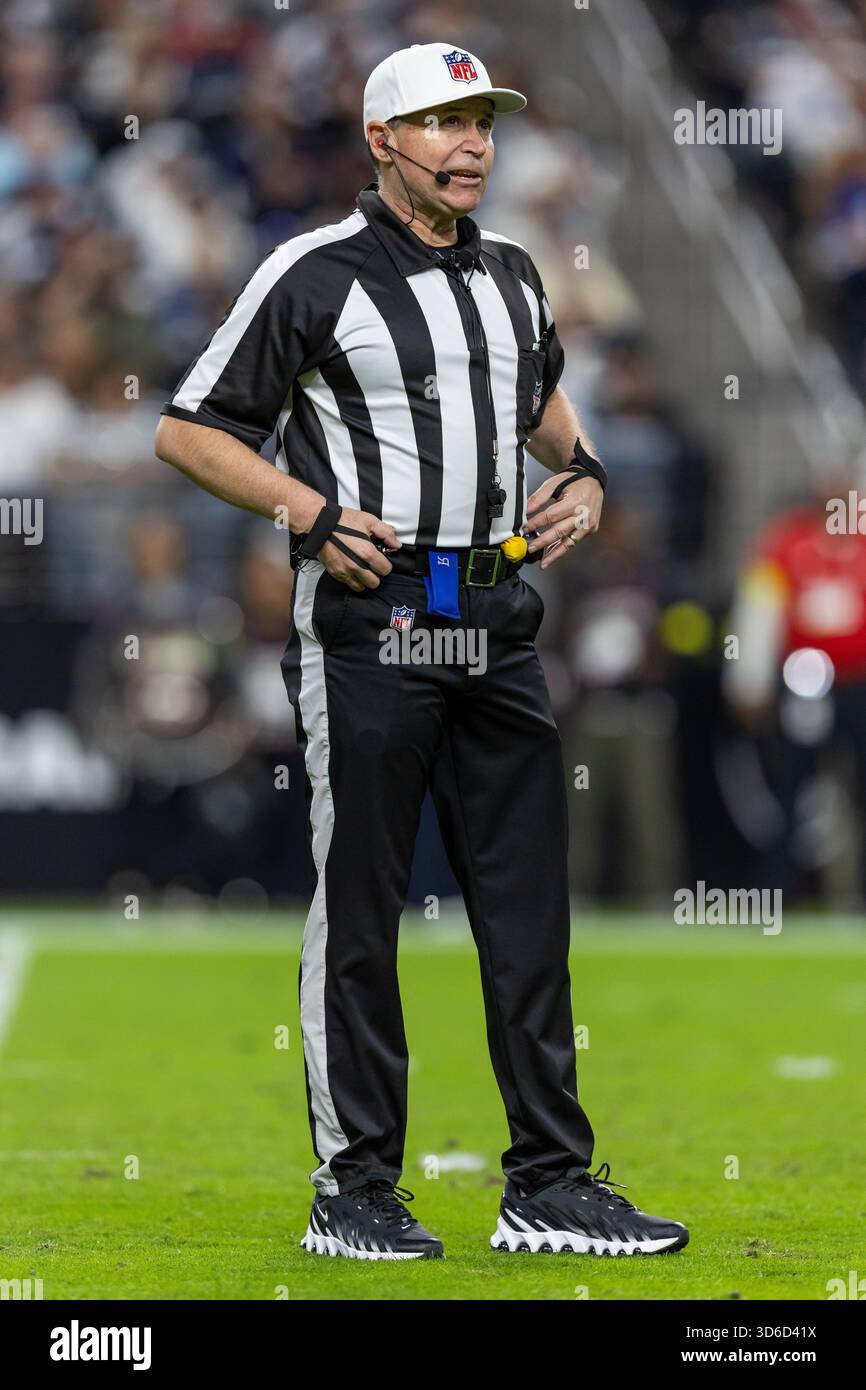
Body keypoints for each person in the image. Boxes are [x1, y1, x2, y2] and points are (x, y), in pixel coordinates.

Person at [154, 41, 688, 1261]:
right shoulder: (313, 270)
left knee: (524, 906)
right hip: (371, 611)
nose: (472, 145)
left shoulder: (507, 269)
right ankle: (353, 1190)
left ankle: (546, 1184)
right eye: (444, 123)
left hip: (497, 615)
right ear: (382, 141)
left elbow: (537, 393)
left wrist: (588, 472)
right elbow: (190, 429)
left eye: (483, 123)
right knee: (363, 906)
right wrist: (307, 510)